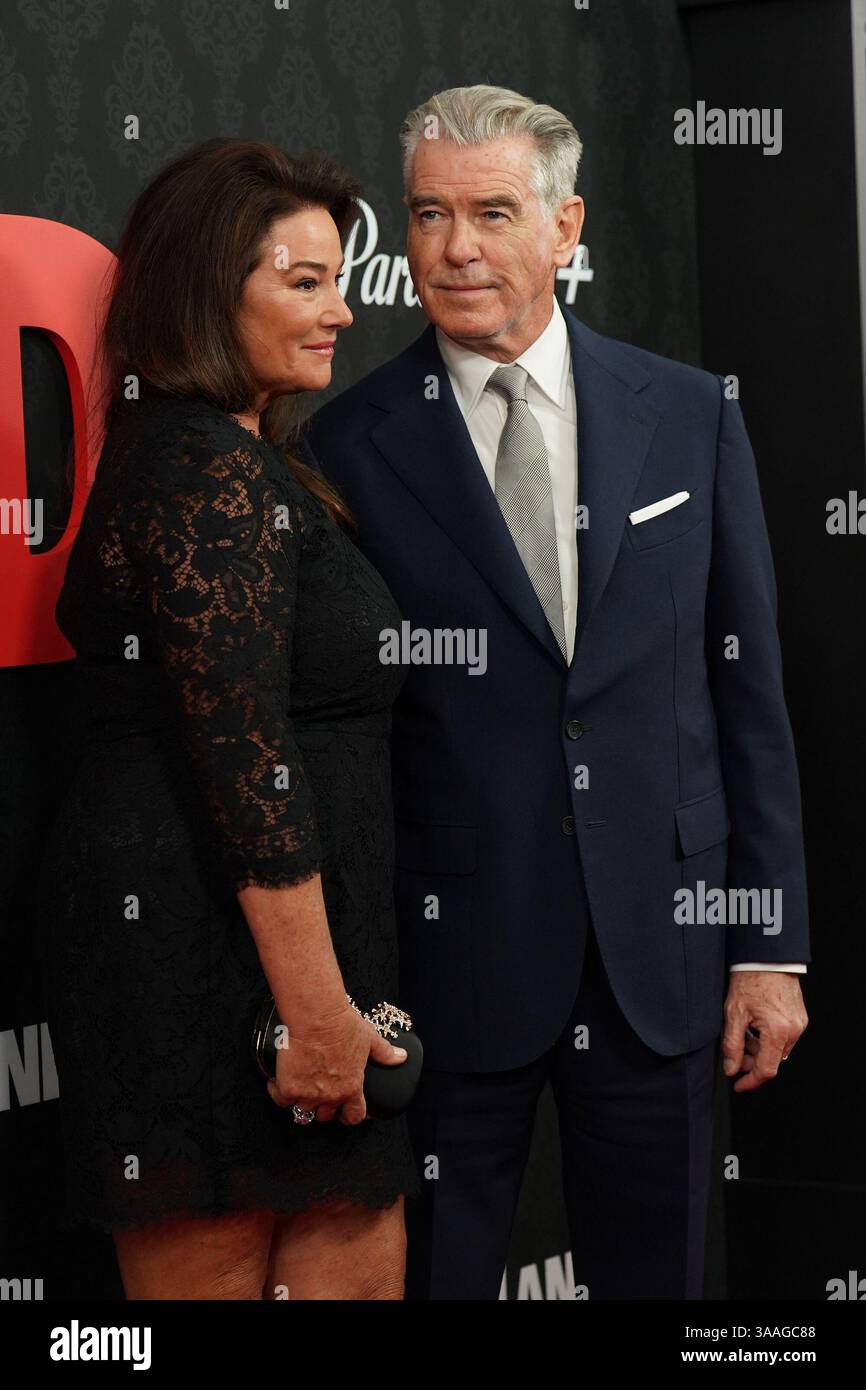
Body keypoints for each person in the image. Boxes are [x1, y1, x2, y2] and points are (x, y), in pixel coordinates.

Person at [304, 85, 811, 1300]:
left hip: (663, 949)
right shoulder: (347, 446)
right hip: (450, 962)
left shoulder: (689, 415)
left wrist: (769, 946)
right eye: (427, 214)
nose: (456, 247)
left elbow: (746, 697)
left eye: (490, 211)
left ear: (564, 226)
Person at [36, 137, 419, 1301]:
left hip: (283, 955)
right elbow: (244, 761)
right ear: (209, 289)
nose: (341, 312)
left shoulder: (250, 460)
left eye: (336, 279)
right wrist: (315, 1016)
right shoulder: (202, 474)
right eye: (302, 282)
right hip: (209, 965)